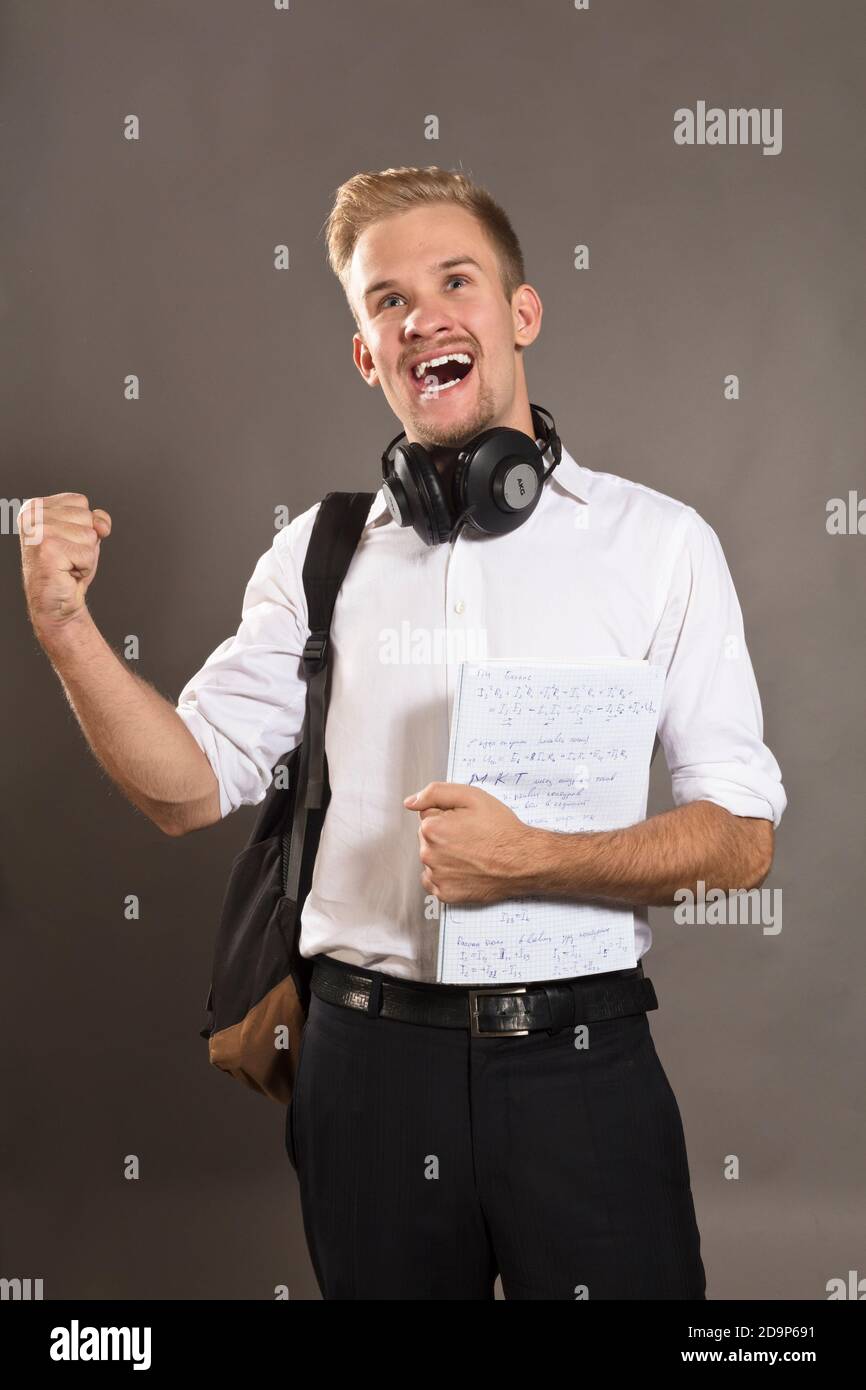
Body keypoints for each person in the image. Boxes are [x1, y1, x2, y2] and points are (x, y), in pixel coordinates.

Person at [19, 165, 786, 1301]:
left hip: (583, 1068)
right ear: (365, 355)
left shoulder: (661, 545)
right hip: (365, 1071)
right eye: (384, 301)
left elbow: (741, 838)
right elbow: (184, 788)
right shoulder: (315, 558)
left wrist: (545, 861)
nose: (419, 313)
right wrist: (64, 625)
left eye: (454, 280)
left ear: (519, 315)